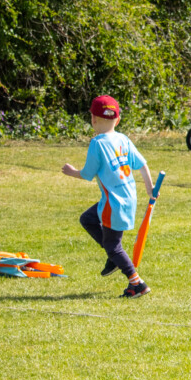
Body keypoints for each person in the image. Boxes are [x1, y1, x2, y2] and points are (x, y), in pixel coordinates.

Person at [62, 95, 154, 298]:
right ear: (118, 120)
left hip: (113, 203)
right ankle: (114, 259)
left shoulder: (97, 143)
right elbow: (142, 164)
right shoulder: (123, 139)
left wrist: (71, 171)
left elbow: (87, 174)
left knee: (113, 246)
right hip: (127, 199)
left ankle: (136, 283)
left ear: (93, 119)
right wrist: (150, 188)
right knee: (88, 218)